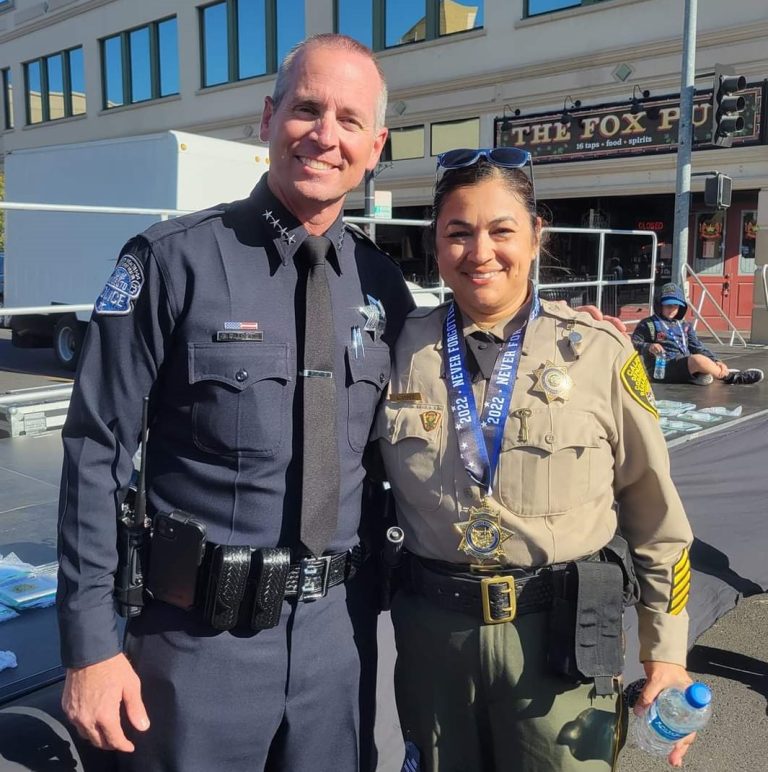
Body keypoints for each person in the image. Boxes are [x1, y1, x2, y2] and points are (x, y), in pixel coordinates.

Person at [56, 33, 415, 772]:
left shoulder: (384, 288)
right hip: (196, 651)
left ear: (375, 146)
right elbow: (95, 451)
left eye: (350, 120)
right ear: (266, 117)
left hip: (338, 646)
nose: (325, 135)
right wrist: (90, 645)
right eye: (306, 108)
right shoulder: (171, 261)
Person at [373, 149, 697, 771]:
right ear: (435, 244)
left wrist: (667, 657)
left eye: (501, 231)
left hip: (560, 647)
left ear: (536, 238)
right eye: (458, 233)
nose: (479, 251)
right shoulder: (394, 349)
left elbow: (657, 521)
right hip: (433, 640)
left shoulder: (600, 354)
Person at [632, 282, 764, 386]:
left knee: (699, 357)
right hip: (661, 368)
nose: (672, 309)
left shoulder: (684, 325)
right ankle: (731, 377)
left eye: (675, 305)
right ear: (659, 305)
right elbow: (633, 343)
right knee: (697, 360)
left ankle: (705, 373)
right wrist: (649, 346)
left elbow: (698, 347)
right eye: (668, 305)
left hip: (683, 363)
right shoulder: (648, 324)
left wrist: (717, 360)